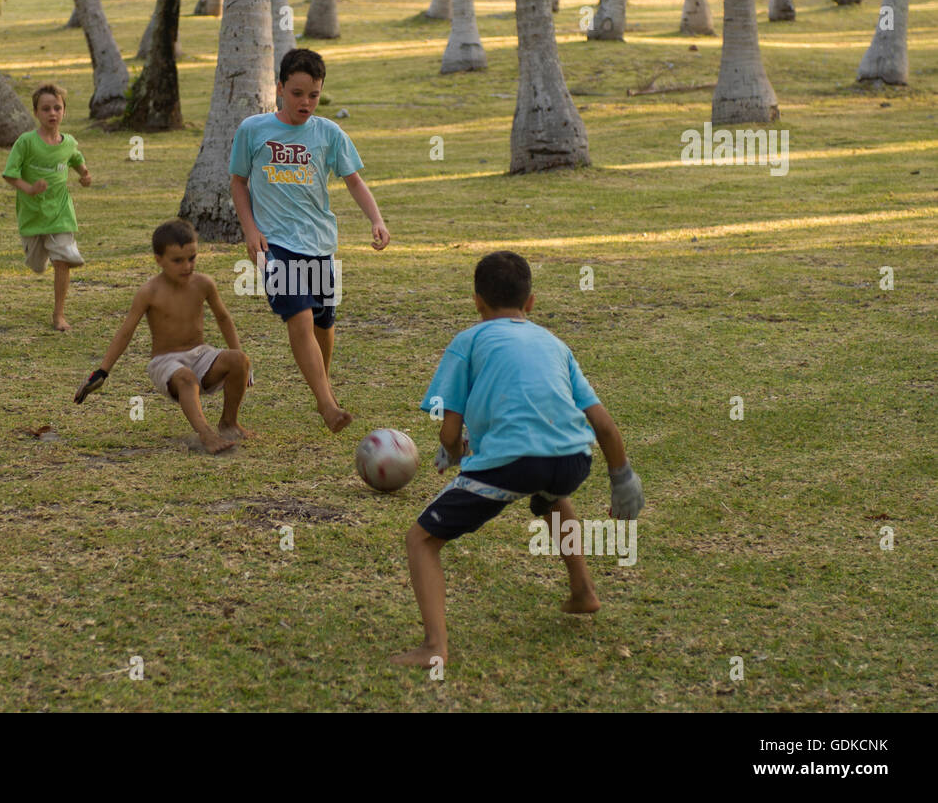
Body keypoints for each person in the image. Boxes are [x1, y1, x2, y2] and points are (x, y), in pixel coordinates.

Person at [391, 251, 645, 669]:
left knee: (421, 540)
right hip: (572, 460)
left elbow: (449, 433)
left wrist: (455, 453)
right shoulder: (555, 344)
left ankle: (434, 646)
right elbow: (602, 422)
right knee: (549, 496)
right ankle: (582, 590)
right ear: (530, 303)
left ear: (476, 301)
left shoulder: (468, 342)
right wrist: (623, 477)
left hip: (514, 463)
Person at [229, 48, 390, 433]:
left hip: (319, 243)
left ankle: (324, 386)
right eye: (297, 93)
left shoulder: (329, 133)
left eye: (314, 95)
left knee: (323, 322)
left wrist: (377, 220)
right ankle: (326, 405)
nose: (305, 102)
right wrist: (251, 231)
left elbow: (354, 180)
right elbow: (238, 182)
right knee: (298, 315)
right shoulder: (253, 130)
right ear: (280, 88)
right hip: (274, 245)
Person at [75, 219, 252, 455]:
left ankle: (229, 423)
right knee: (186, 378)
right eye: (177, 261)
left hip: (200, 355)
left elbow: (224, 319)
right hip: (165, 363)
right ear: (159, 260)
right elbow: (126, 332)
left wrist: (242, 362)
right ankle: (206, 434)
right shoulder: (149, 292)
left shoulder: (203, 284)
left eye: (192, 258)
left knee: (239, 359)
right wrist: (102, 371)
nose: (187, 266)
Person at [1, 83, 92, 331]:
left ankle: (58, 315)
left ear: (64, 111)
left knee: (62, 261)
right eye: (45, 109)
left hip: (61, 212)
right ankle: (47, 257)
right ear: (36, 113)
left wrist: (84, 174)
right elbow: (10, 175)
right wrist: (29, 189)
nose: (52, 113)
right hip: (32, 215)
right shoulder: (26, 143)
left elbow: (76, 159)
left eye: (57, 108)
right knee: (37, 264)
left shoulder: (69, 142)